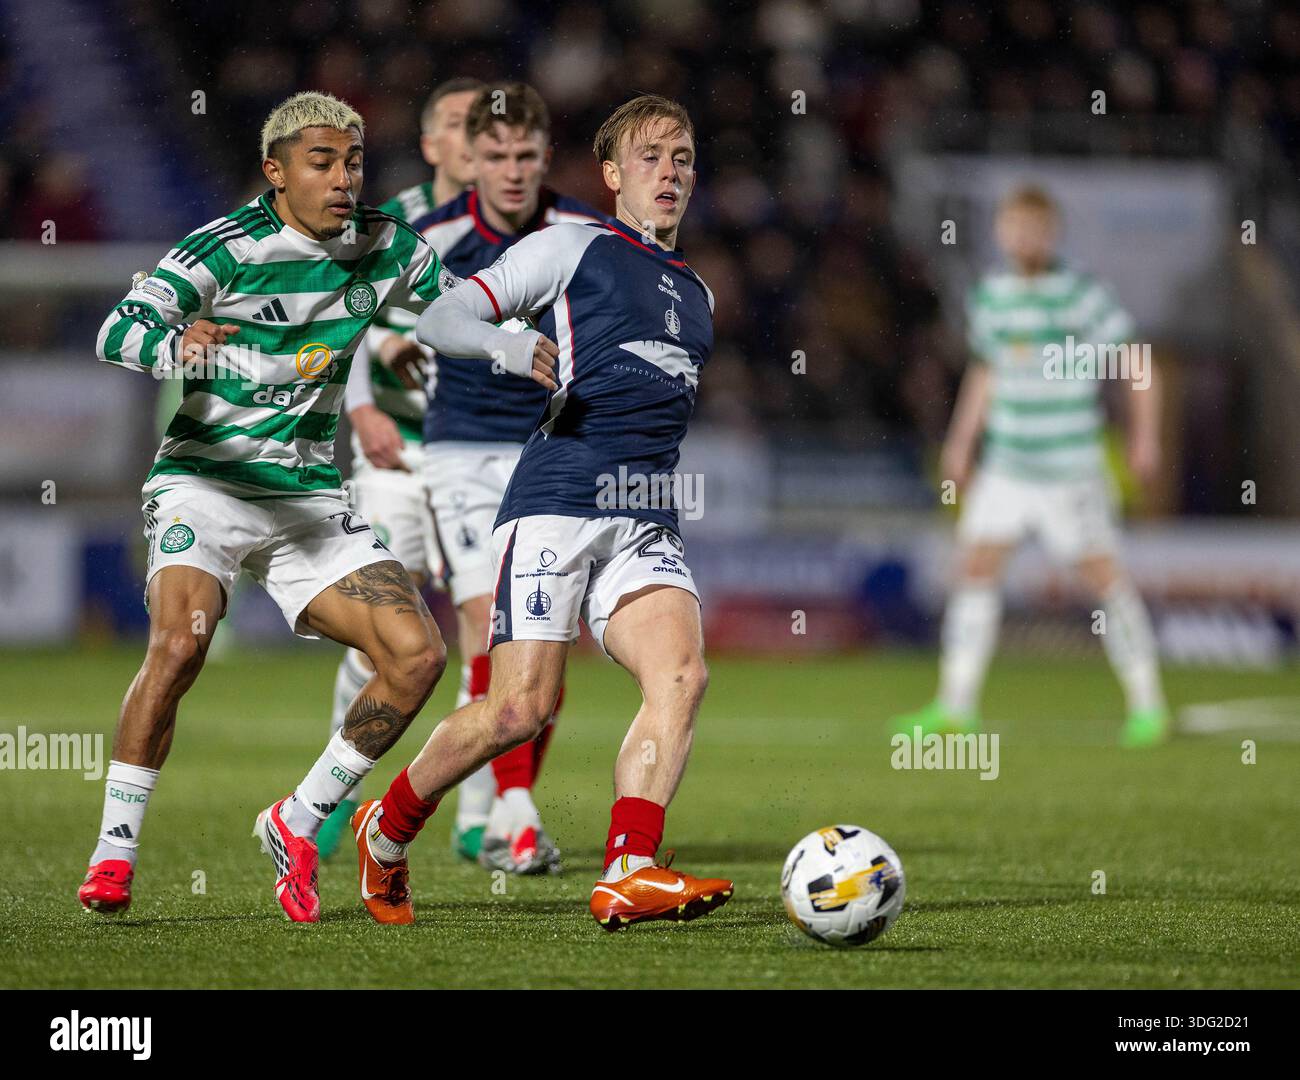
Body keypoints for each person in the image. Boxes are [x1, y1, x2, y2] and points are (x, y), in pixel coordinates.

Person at [347, 94, 733, 930]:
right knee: (521, 709)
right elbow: (446, 312)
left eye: (683, 158)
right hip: (557, 499)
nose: (669, 172)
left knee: (682, 674)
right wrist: (505, 343)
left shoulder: (698, 292)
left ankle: (629, 866)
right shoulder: (570, 246)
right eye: (650, 157)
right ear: (611, 175)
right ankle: (388, 827)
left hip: (644, 514)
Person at [80, 90, 467, 922]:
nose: (342, 178)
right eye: (322, 162)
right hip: (206, 481)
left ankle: (298, 819)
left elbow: (461, 304)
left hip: (306, 498)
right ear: (277, 170)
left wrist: (523, 326)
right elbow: (119, 329)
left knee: (418, 655)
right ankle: (114, 853)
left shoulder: (384, 245)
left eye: (353, 162)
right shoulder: (225, 247)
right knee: (181, 645)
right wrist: (174, 342)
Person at [405, 81, 607, 874]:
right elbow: (365, 319)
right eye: (495, 156)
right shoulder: (435, 233)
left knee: (542, 631)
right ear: (472, 159)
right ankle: (515, 816)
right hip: (458, 451)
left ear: (545, 155)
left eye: (526, 155)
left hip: (552, 447)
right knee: (494, 618)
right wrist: (363, 406)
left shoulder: (585, 233)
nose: (512, 171)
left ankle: (489, 815)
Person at [895, 185, 1168, 748]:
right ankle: (955, 705)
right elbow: (987, 371)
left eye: (1035, 228)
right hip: (1008, 466)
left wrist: (1145, 437)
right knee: (975, 567)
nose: (1024, 238)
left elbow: (1137, 361)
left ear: (1053, 233)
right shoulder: (992, 295)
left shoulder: (1081, 293)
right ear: (1000, 231)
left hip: (1071, 466)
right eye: (1014, 226)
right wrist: (960, 444)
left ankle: (1148, 705)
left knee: (1102, 576)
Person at [317, 77, 483, 860]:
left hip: (479, 457)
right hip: (396, 453)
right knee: (384, 635)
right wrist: (360, 409)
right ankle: (331, 790)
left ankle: (487, 812)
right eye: (458, 123)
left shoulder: (524, 229)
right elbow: (336, 318)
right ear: (430, 144)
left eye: (486, 124)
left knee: (493, 634)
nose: (475, 136)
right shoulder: (390, 226)